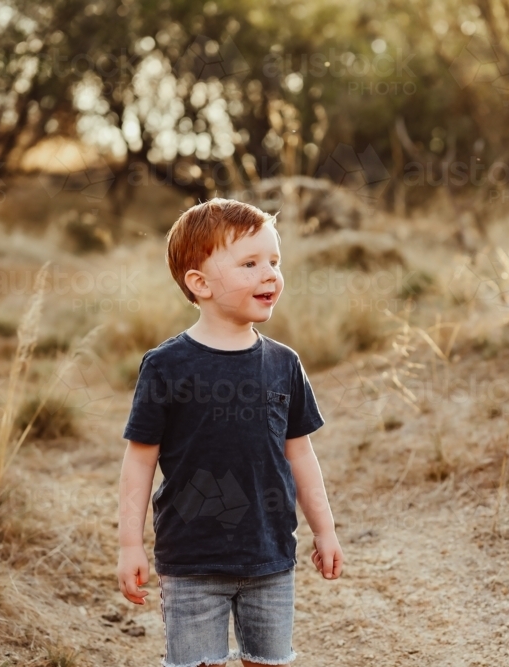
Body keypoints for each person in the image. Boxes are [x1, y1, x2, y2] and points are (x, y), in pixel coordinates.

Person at [116, 199, 343, 667]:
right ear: (198, 283)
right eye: (250, 263)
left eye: (274, 262)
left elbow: (300, 455)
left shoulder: (284, 364)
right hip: (191, 562)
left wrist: (325, 530)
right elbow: (139, 461)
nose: (270, 275)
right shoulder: (165, 367)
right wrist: (129, 545)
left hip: (270, 556)